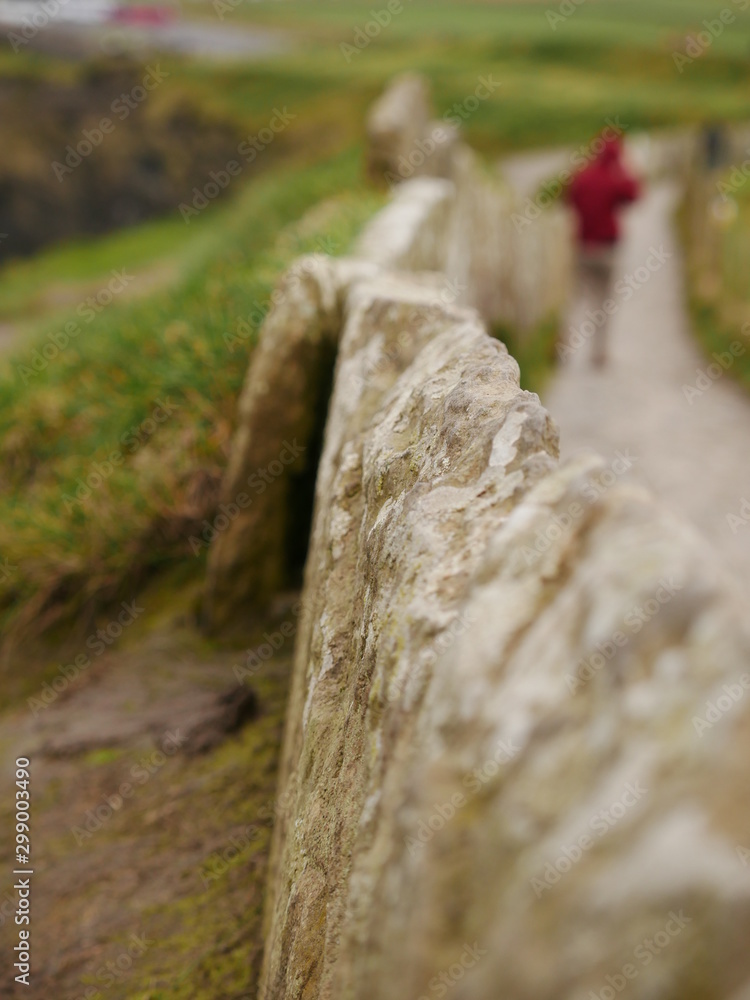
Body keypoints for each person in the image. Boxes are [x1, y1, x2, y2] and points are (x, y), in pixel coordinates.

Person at [566, 134, 640, 367]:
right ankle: (599, 354)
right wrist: (624, 166)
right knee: (604, 303)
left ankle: (564, 349)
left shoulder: (583, 177)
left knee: (577, 299)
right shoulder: (613, 179)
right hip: (607, 249)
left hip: (583, 247)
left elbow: (570, 198)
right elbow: (634, 193)